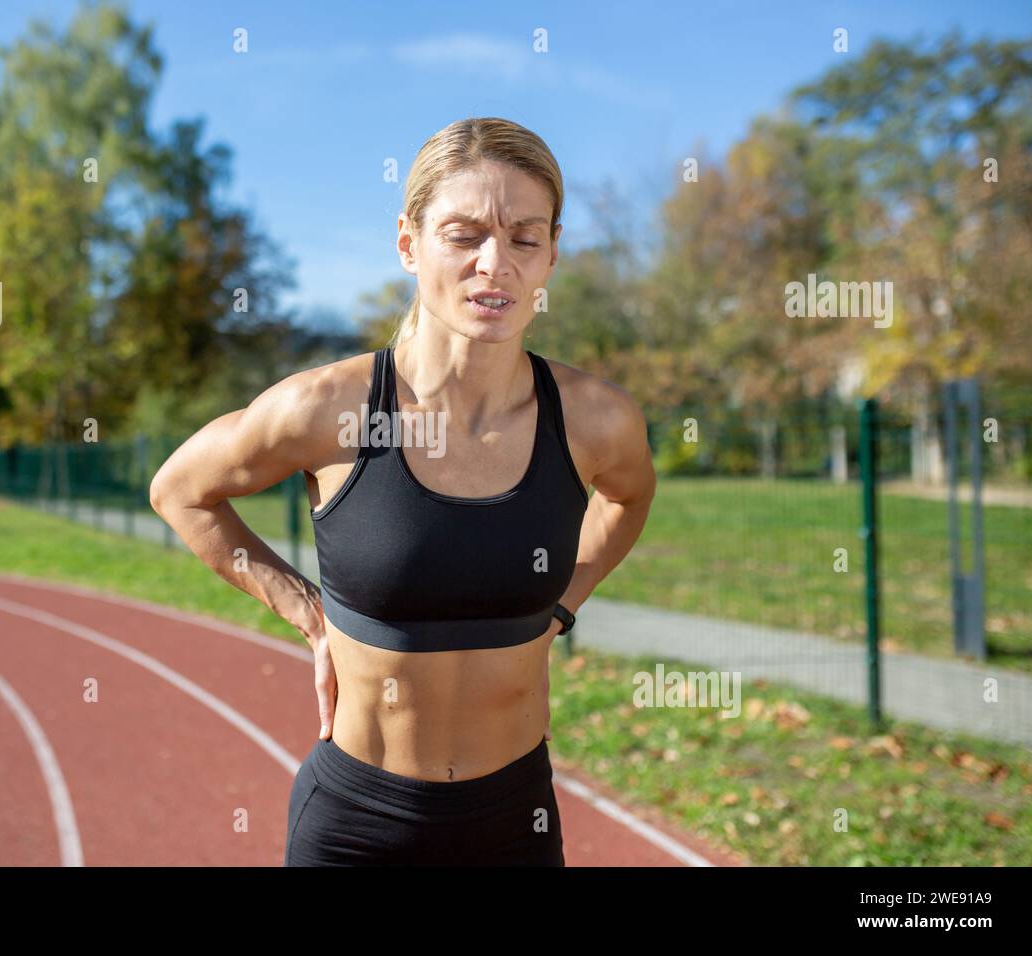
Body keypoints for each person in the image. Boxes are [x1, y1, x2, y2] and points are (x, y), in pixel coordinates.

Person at [149, 117, 656, 866]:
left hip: (517, 822)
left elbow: (629, 499)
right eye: (464, 235)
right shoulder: (327, 409)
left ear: (552, 252)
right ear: (408, 244)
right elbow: (180, 490)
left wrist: (562, 604)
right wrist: (309, 615)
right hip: (359, 824)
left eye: (524, 237)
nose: (496, 263)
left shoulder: (595, 421)